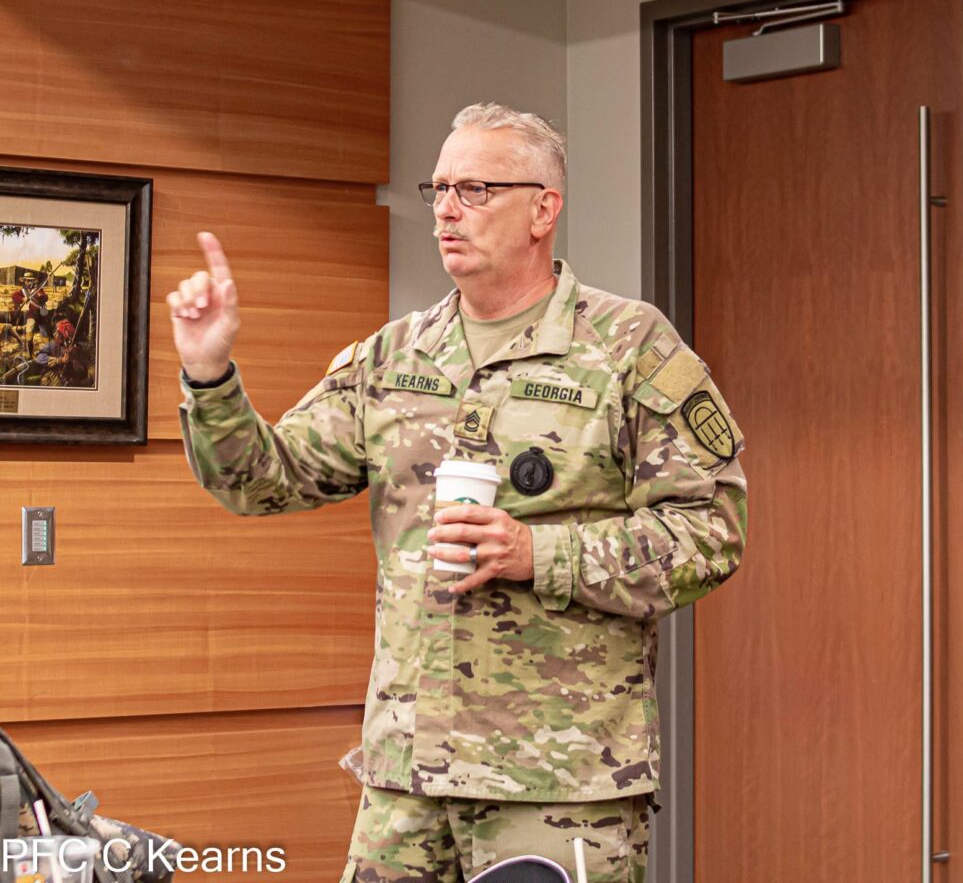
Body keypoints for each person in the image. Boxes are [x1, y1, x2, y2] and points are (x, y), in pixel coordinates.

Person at [169, 103, 747, 883]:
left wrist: (537, 552)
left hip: (558, 779)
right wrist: (211, 377)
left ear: (544, 209)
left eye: (475, 189)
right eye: (438, 188)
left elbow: (710, 531)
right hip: (405, 776)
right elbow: (264, 482)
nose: (445, 209)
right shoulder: (393, 355)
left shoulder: (628, 348)